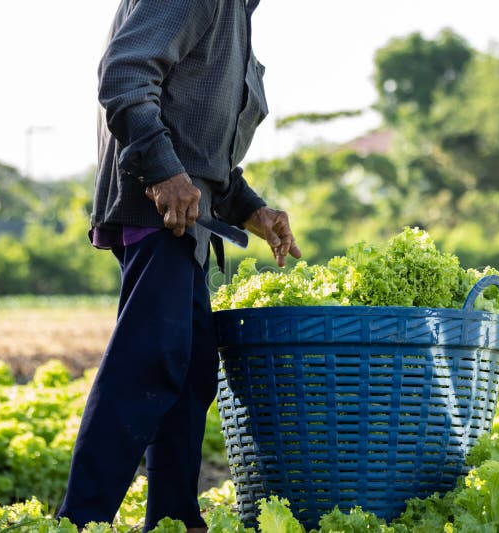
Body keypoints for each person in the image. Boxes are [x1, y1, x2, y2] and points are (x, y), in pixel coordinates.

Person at [56, 0, 301, 531]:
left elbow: (203, 151)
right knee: (148, 361)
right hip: (157, 209)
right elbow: (124, 73)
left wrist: (252, 209)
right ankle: (79, 520)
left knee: (189, 372)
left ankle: (174, 520)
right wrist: (163, 173)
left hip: (184, 217)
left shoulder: (237, 12)